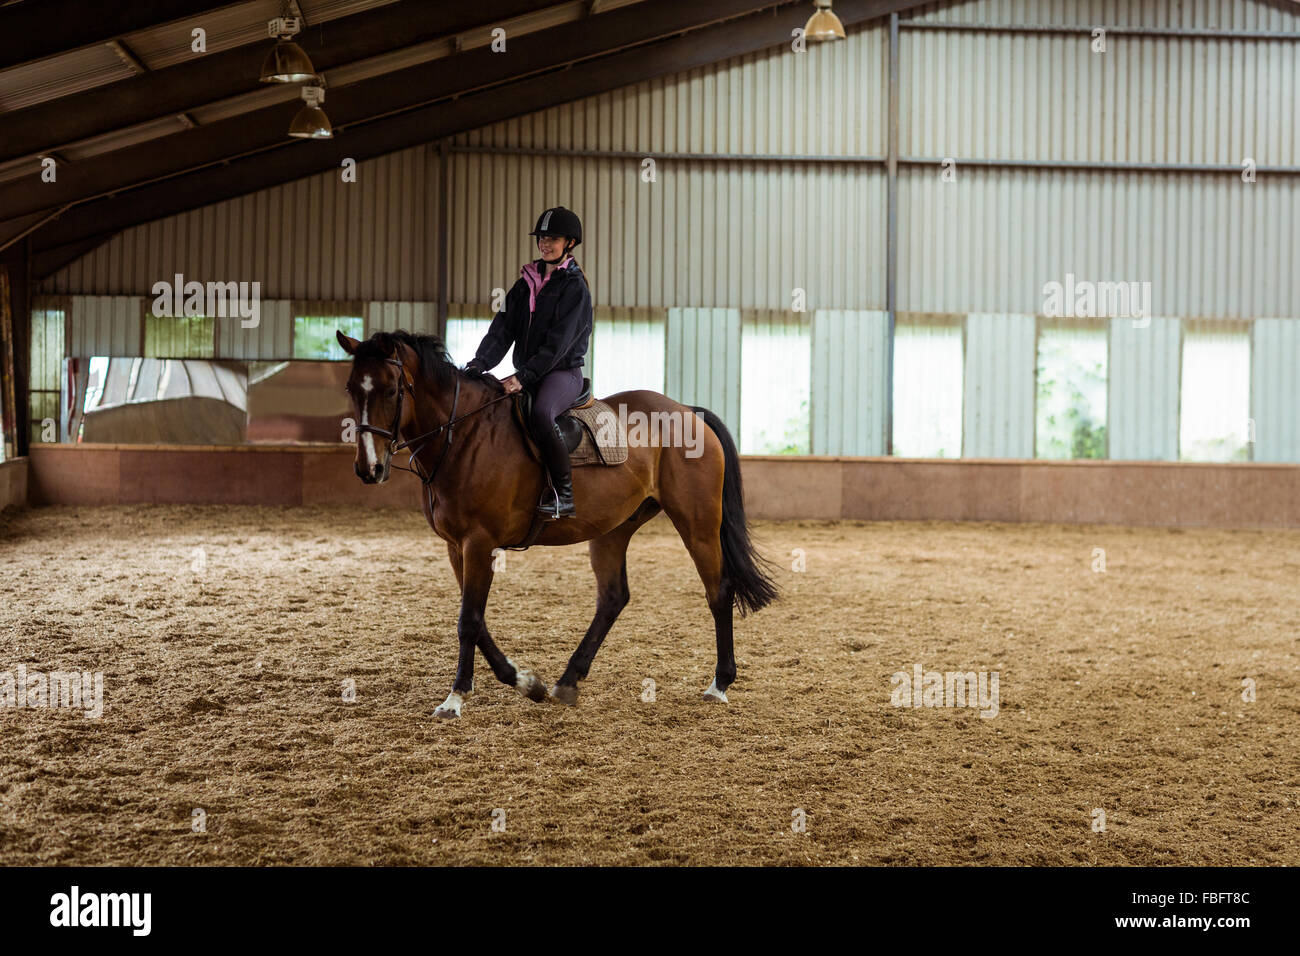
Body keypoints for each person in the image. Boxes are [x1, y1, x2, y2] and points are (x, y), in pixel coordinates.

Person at [464, 206, 592, 519]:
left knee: (540, 413)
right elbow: (502, 330)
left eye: (553, 238)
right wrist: (478, 365)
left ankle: (564, 495)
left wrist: (524, 376)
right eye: (542, 238)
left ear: (570, 243)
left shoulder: (575, 287)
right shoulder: (524, 284)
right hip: (529, 372)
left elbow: (559, 344)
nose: (545, 243)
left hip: (562, 373)